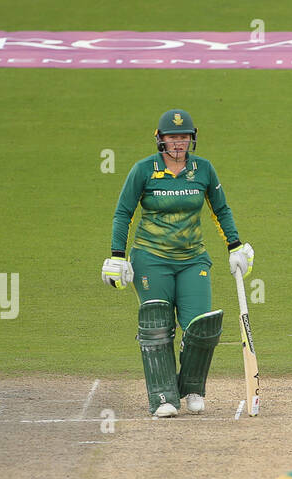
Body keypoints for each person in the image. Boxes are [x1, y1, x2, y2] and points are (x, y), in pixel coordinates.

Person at [104, 108, 255, 418]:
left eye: (184, 137)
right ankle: (163, 397)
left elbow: (220, 209)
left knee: (200, 326)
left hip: (192, 259)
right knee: (157, 325)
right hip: (150, 258)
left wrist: (235, 246)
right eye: (173, 138)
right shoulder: (144, 170)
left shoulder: (203, 170)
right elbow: (124, 213)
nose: (178, 143)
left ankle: (193, 388)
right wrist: (117, 256)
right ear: (160, 139)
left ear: (192, 139)